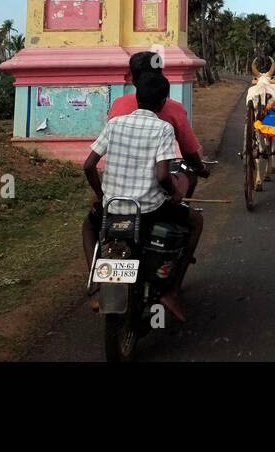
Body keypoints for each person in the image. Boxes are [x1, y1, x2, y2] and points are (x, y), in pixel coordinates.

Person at [83, 71, 203, 322]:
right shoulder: (162, 129)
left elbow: (88, 165)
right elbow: (162, 176)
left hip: (113, 208)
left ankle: (96, 284)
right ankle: (171, 290)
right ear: (163, 103)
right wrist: (175, 194)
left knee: (88, 225)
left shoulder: (115, 123)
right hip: (149, 210)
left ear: (136, 97)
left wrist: (102, 195)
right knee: (195, 222)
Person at [107, 51, 209, 194]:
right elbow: (189, 152)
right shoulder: (174, 109)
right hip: (156, 187)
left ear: (133, 79)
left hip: (118, 184)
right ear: (161, 77)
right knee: (190, 176)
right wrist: (200, 169)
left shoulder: (118, 105)